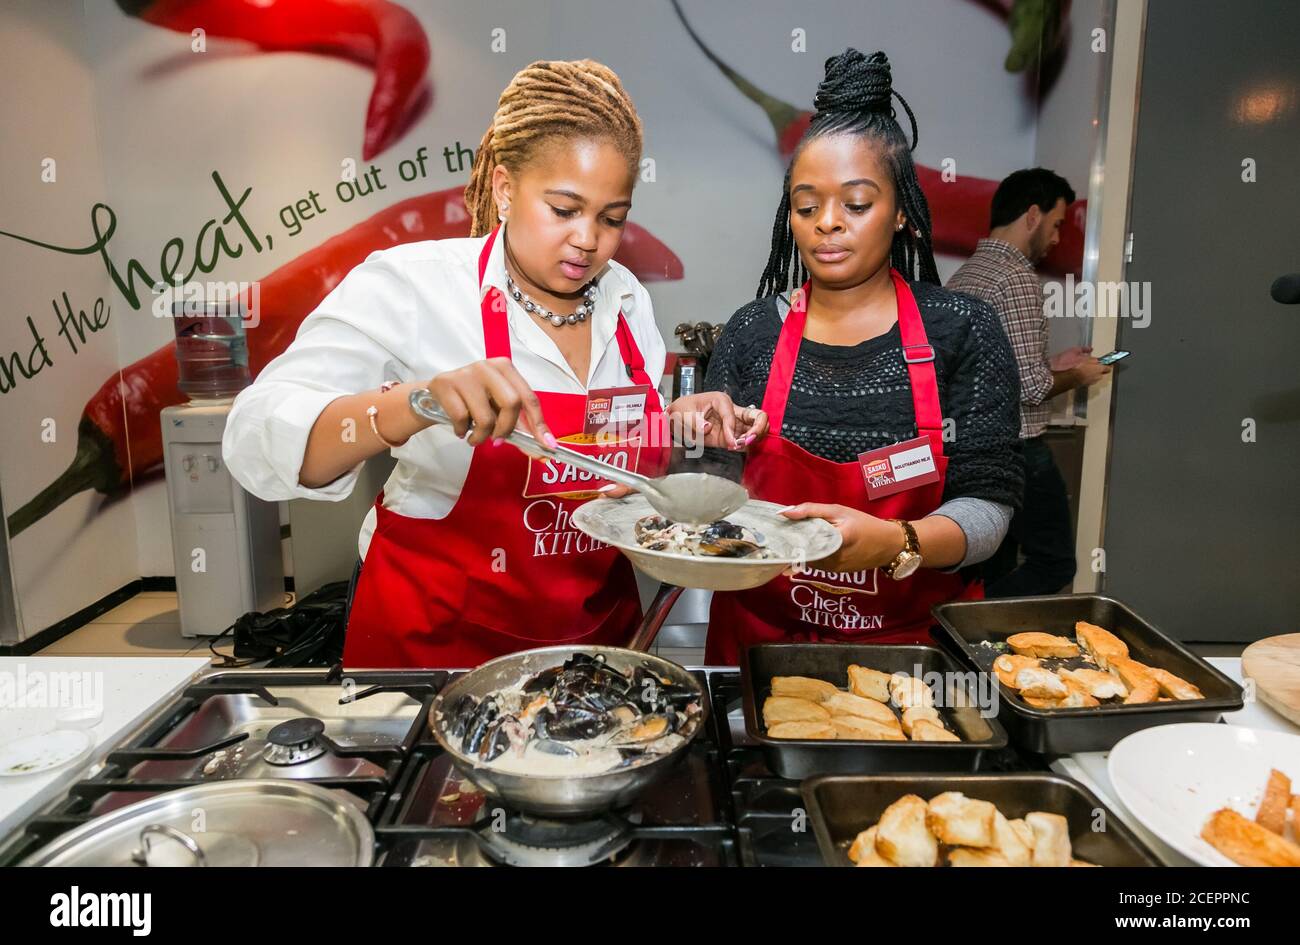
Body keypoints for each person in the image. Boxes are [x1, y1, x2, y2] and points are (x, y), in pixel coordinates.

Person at [223, 59, 762, 667]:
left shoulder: (627, 300)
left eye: (612, 218)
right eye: (564, 209)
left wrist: (676, 427)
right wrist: (415, 404)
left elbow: (611, 449)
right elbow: (254, 437)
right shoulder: (412, 287)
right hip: (437, 655)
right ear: (505, 189)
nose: (589, 239)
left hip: (595, 646)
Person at [700, 49, 1024, 665]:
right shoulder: (750, 332)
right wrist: (690, 446)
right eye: (806, 205)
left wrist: (896, 542)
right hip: (761, 649)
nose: (828, 224)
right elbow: (714, 500)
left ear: (901, 210)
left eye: (855, 204)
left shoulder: (963, 329)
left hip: (912, 656)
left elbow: (989, 511)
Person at [947, 167, 1109, 597]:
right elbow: (1033, 388)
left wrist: (1054, 360)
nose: (1057, 238)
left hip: (970, 449)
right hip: (1019, 449)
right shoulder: (1016, 278)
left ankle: (977, 649)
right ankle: (960, 624)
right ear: (1033, 216)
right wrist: (1078, 374)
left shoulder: (967, 275)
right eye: (1056, 224)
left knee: (991, 564)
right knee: (1054, 562)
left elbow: (997, 369)